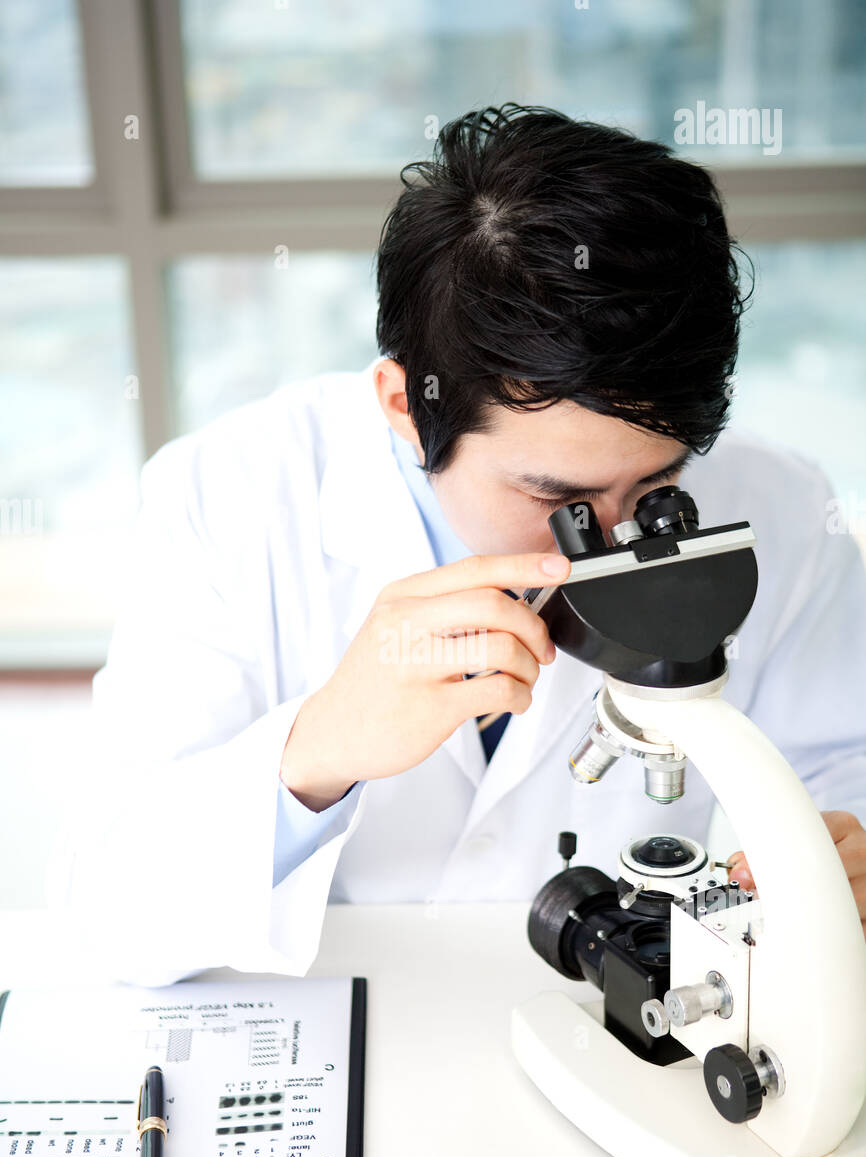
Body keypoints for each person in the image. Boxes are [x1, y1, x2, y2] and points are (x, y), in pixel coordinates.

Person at [48, 105, 866, 986]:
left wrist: (846, 856)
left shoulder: (779, 505)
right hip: (353, 1014)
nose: (617, 539)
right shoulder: (227, 495)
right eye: (560, 499)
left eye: (657, 487)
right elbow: (107, 918)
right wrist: (318, 749)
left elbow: (845, 763)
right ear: (406, 404)